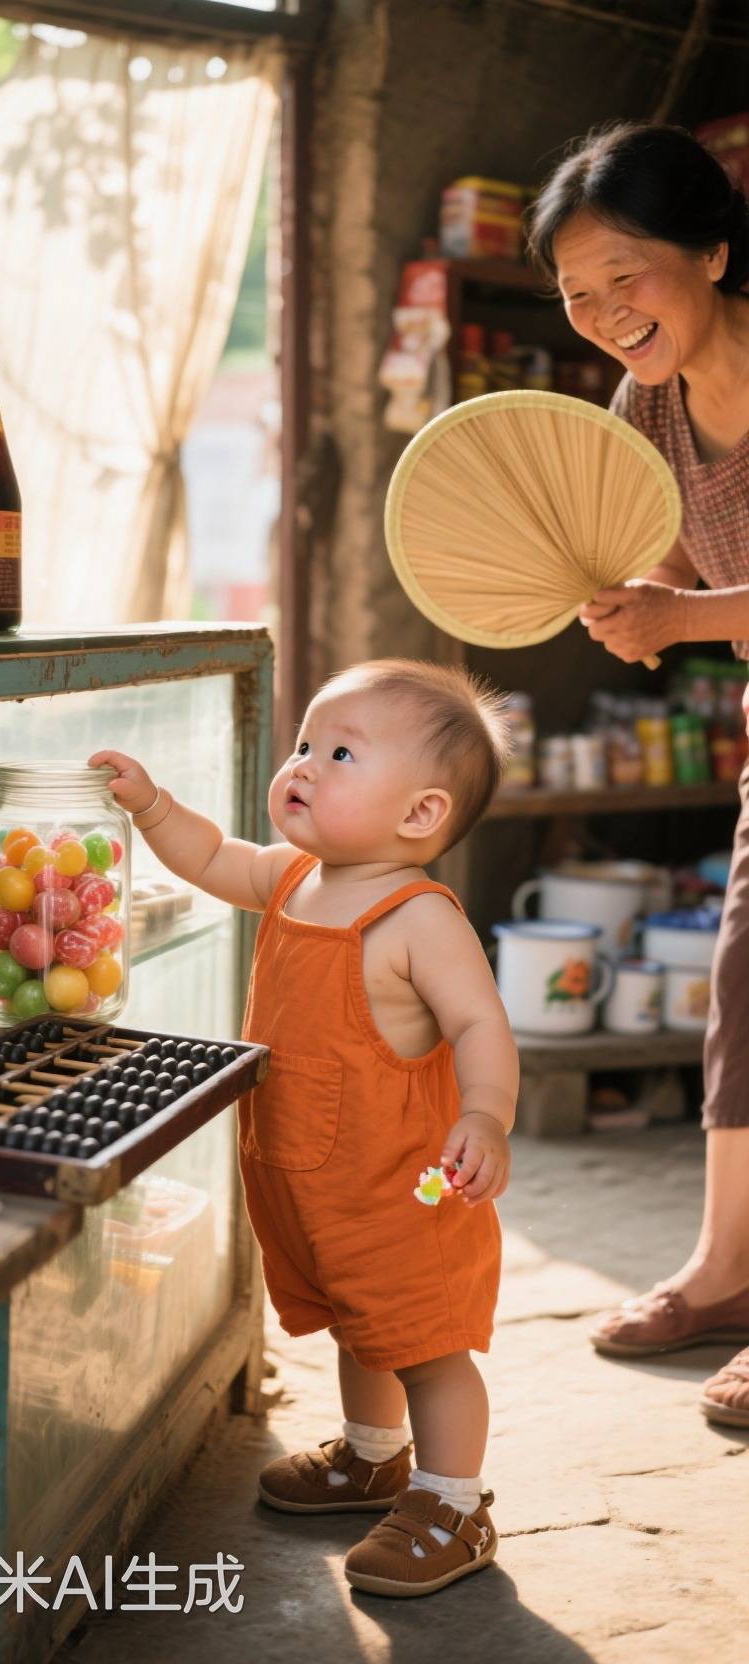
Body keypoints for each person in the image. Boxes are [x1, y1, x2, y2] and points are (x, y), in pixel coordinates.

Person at [90, 658, 519, 1598]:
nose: (303, 765)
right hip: (314, 1183)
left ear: (421, 814)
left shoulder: (418, 918)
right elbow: (212, 857)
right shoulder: (292, 877)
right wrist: (153, 807)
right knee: (357, 1325)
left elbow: (480, 1024)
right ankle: (374, 1457)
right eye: (303, 744)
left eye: (340, 754)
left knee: (425, 1345)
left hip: (403, 1188)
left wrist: (486, 1115)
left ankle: (454, 1506)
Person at [527, 122, 749, 1427]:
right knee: (743, 993)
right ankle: (724, 1271)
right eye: (577, 293)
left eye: (627, 274)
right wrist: (629, 597)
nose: (606, 311)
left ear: (713, 249)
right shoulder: (643, 411)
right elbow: (673, 560)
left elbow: (705, 603)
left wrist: (683, 616)